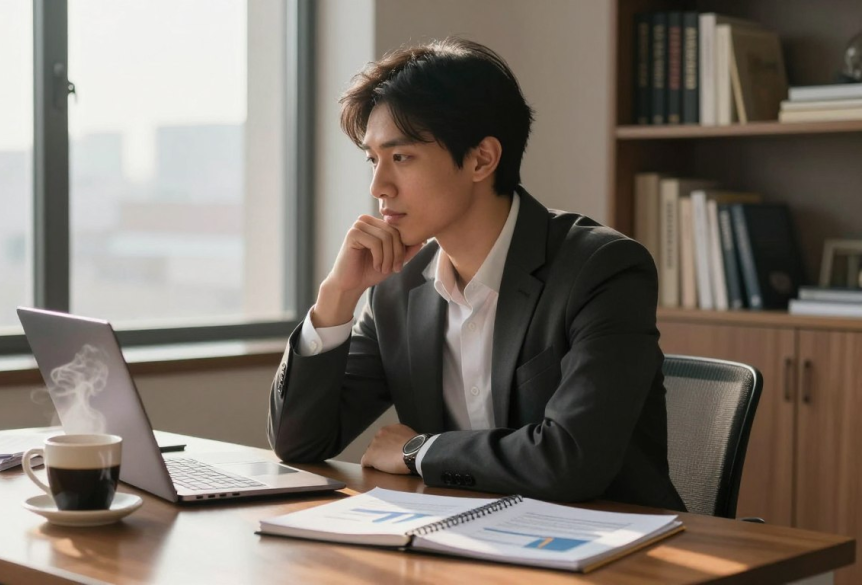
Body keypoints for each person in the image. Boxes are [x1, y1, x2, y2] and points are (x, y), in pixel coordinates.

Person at [266, 37, 685, 511]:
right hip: (463, 539)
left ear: (482, 159)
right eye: (373, 159)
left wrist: (417, 451)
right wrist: (336, 296)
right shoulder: (399, 288)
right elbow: (298, 445)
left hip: (612, 547)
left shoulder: (603, 269)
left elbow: (572, 460)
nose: (378, 186)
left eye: (400, 157)